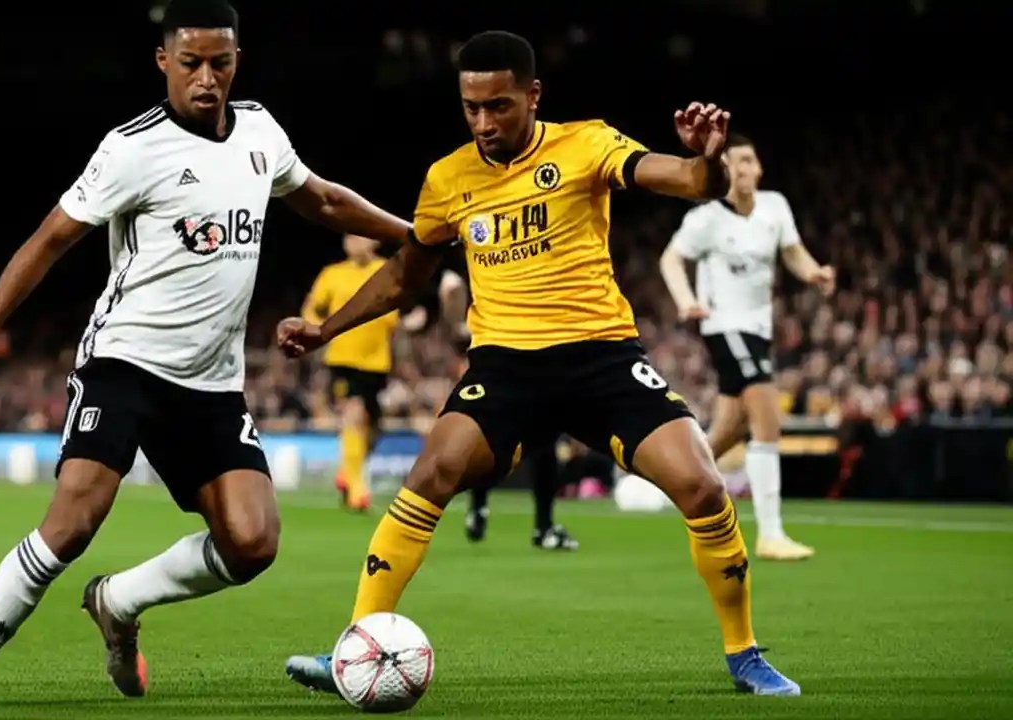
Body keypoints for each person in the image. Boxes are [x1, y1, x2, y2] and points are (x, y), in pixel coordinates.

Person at [0, 0, 415, 709]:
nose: (207, 78)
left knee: (253, 542)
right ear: (163, 63)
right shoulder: (132, 148)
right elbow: (49, 240)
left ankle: (118, 602)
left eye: (220, 62)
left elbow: (325, 202)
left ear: (237, 61)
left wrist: (416, 235)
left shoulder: (261, 133)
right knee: (73, 522)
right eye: (191, 64)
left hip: (211, 383)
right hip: (125, 361)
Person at [278, 31, 799, 696]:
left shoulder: (585, 144)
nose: (483, 123)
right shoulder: (448, 179)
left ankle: (744, 653)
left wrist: (710, 163)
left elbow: (686, 180)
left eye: (498, 106)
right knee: (432, 469)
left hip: (601, 359)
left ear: (533, 95)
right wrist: (326, 329)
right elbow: (406, 280)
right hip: (504, 367)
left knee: (701, 485)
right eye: (470, 108)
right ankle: (352, 647)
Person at [659, 134, 835, 561]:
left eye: (748, 161)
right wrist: (687, 301)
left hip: (758, 329)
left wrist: (814, 273)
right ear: (724, 171)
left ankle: (663, 487)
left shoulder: (775, 207)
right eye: (733, 163)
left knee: (729, 428)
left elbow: (793, 253)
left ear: (758, 169)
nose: (742, 169)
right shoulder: (707, 219)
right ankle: (771, 532)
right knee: (766, 413)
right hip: (724, 325)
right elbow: (670, 259)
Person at [439, 267, 580, 549]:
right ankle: (543, 526)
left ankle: (481, 505)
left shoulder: (490, 261)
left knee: (503, 442)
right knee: (540, 445)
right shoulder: (512, 260)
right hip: (517, 359)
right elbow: (450, 287)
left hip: (502, 359)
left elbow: (449, 288)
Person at [301, 234, 426, 512]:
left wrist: (410, 320)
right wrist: (316, 328)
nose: (352, 242)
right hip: (343, 357)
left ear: (374, 242)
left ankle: (347, 471)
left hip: (377, 361)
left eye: (359, 237)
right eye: (348, 237)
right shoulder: (332, 274)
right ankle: (358, 487)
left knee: (373, 426)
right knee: (353, 413)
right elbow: (313, 307)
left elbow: (401, 307)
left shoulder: (387, 270)